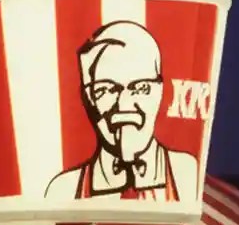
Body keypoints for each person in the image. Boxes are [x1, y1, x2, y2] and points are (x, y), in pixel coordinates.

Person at [45, 21, 198, 203]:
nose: (124, 105)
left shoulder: (187, 174)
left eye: (141, 88)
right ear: (89, 98)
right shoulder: (64, 190)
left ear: (159, 91)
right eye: (107, 89)